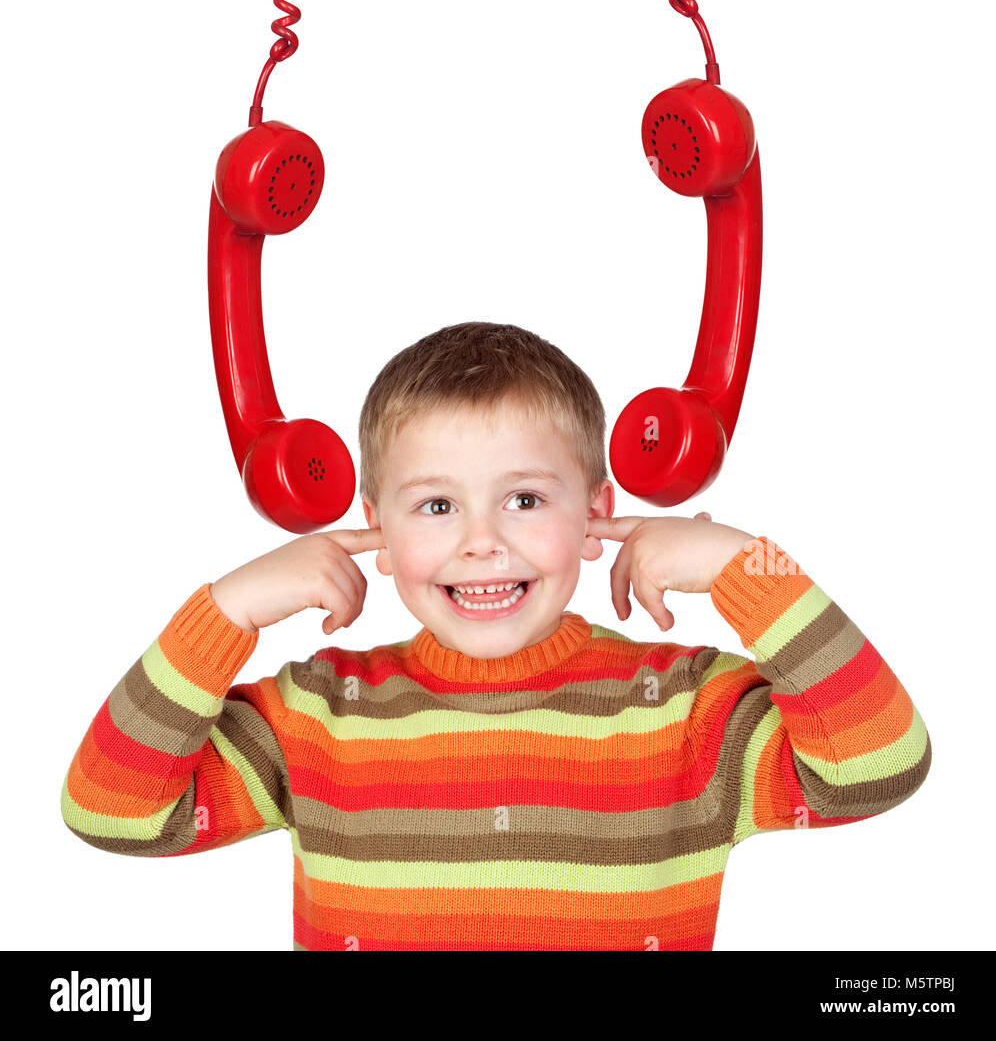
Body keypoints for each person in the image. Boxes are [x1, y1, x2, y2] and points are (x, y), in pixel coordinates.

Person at [60, 320, 931, 951]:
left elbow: (876, 764)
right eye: (436, 505)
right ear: (378, 531)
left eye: (524, 498)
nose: (482, 539)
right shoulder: (319, 712)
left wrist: (750, 566)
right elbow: (112, 811)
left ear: (596, 514)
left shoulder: (683, 707)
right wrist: (222, 614)